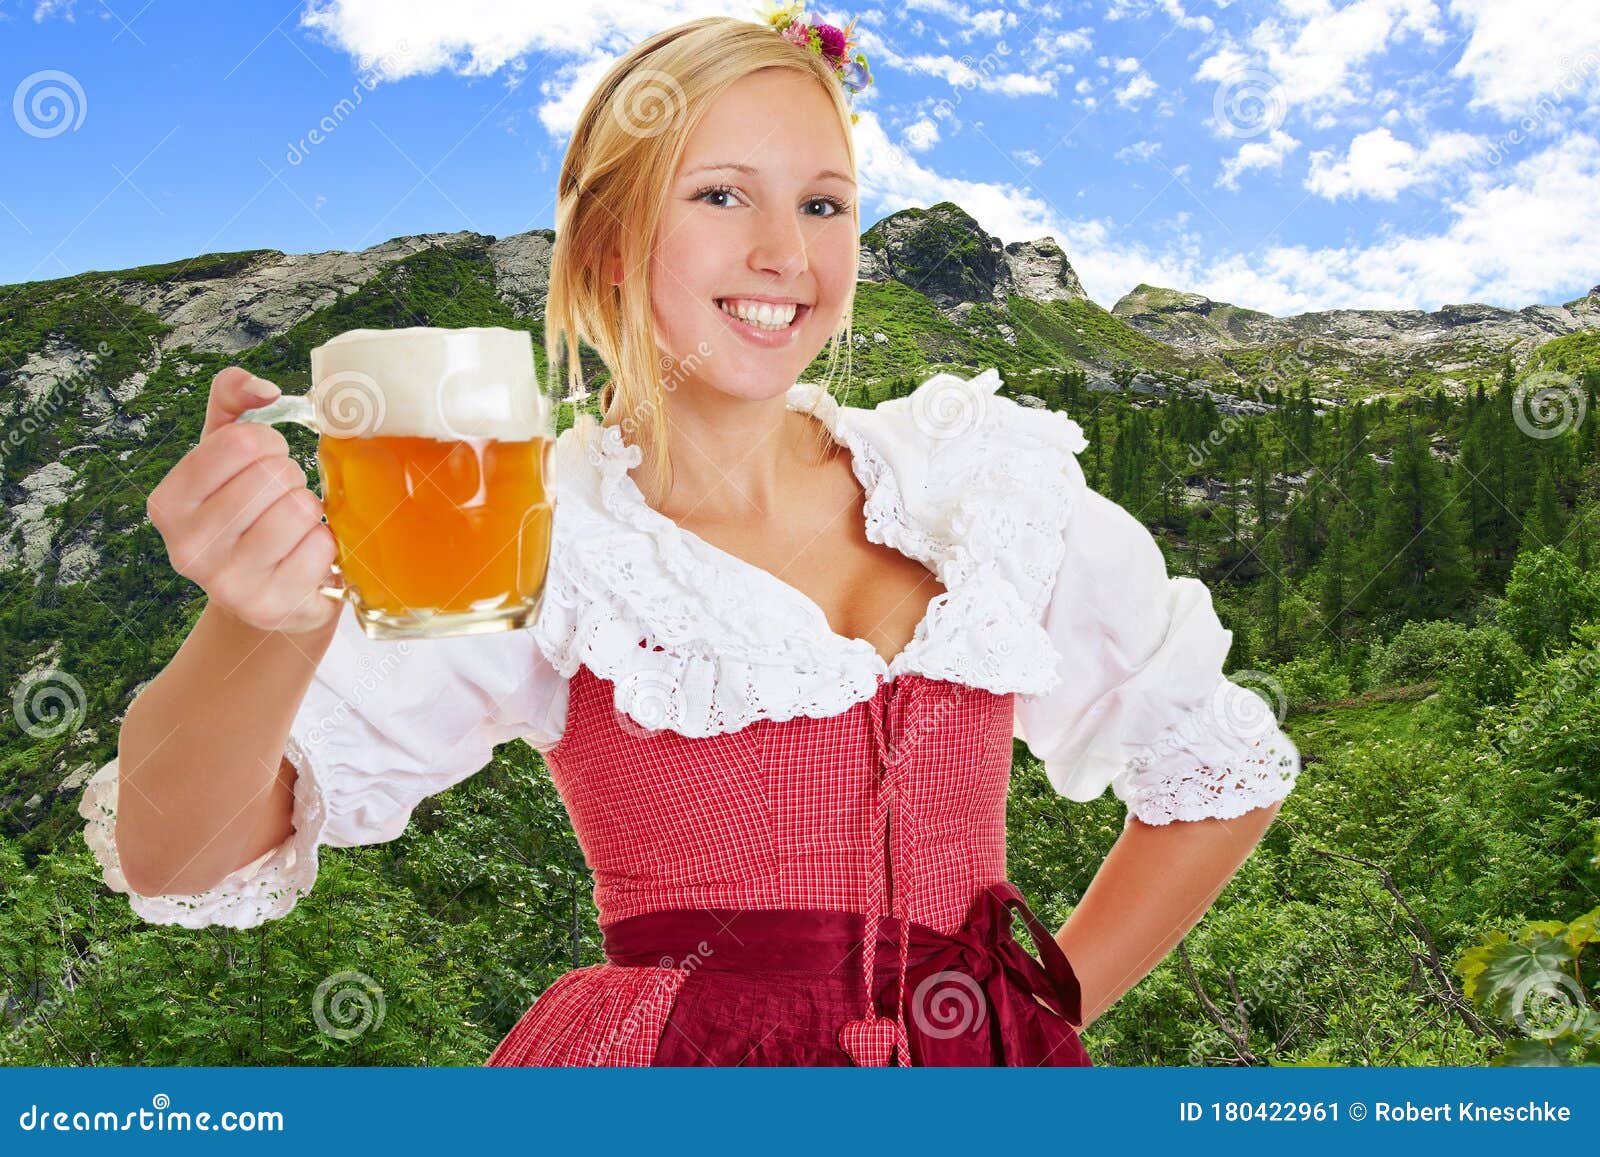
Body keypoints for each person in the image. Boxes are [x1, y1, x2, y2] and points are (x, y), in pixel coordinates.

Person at [79, 9, 1300, 1067]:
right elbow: (180, 855)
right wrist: (254, 623)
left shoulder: (975, 482)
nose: (787, 253)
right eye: (721, 195)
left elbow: (1219, 768)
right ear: (610, 245)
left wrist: (1038, 1013)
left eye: (823, 204)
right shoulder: (538, 532)